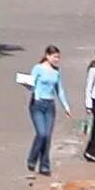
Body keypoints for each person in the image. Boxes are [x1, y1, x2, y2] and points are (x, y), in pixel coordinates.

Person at [23, 44, 69, 176]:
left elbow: (59, 90)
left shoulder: (56, 72)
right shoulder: (38, 68)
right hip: (37, 104)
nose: (56, 59)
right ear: (47, 56)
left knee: (47, 136)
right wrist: (33, 92)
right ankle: (32, 158)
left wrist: (66, 106)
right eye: (54, 57)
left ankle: (44, 165)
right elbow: (32, 84)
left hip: (50, 105)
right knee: (41, 133)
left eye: (58, 57)